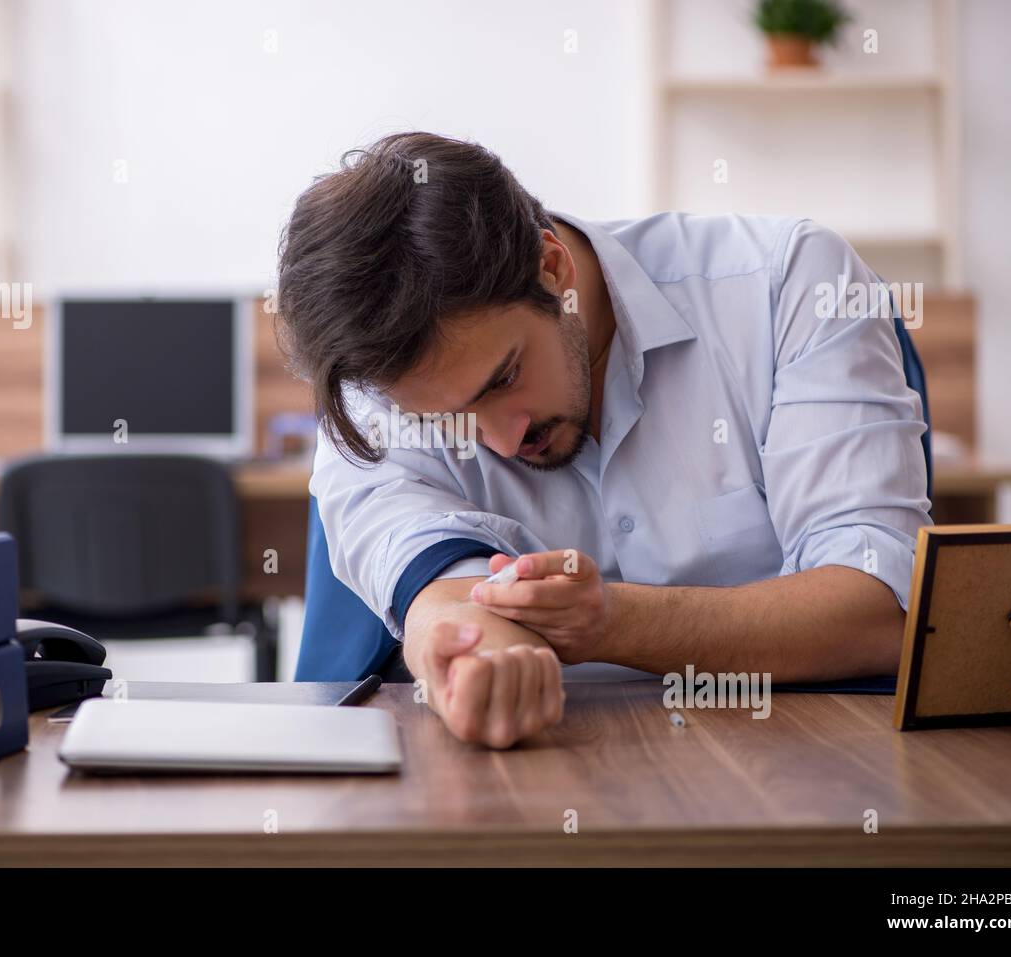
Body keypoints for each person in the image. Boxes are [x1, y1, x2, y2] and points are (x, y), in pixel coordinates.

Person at [276, 132, 930, 749]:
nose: (503, 441)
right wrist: (472, 652)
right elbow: (442, 601)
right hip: (541, 774)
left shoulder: (790, 282)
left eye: (504, 377)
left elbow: (881, 612)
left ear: (552, 268)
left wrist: (613, 620)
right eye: (446, 420)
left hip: (795, 761)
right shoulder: (373, 387)